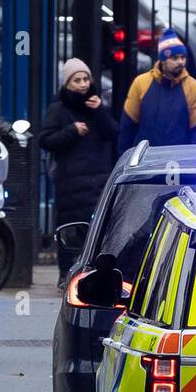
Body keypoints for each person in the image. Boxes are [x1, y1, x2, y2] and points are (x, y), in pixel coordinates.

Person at [39, 58, 119, 285]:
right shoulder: (58, 110)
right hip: (70, 181)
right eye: (77, 80)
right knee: (70, 231)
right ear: (67, 84)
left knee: (98, 229)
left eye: (86, 79)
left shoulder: (97, 106)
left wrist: (100, 111)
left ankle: (94, 274)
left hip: (98, 178)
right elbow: (45, 140)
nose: (83, 84)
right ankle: (65, 275)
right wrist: (71, 131)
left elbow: (113, 132)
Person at [117, 28, 196, 154]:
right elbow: (128, 125)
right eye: (175, 58)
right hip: (146, 160)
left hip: (179, 160)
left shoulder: (194, 87)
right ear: (163, 59)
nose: (180, 62)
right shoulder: (141, 83)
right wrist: (123, 158)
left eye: (183, 57)